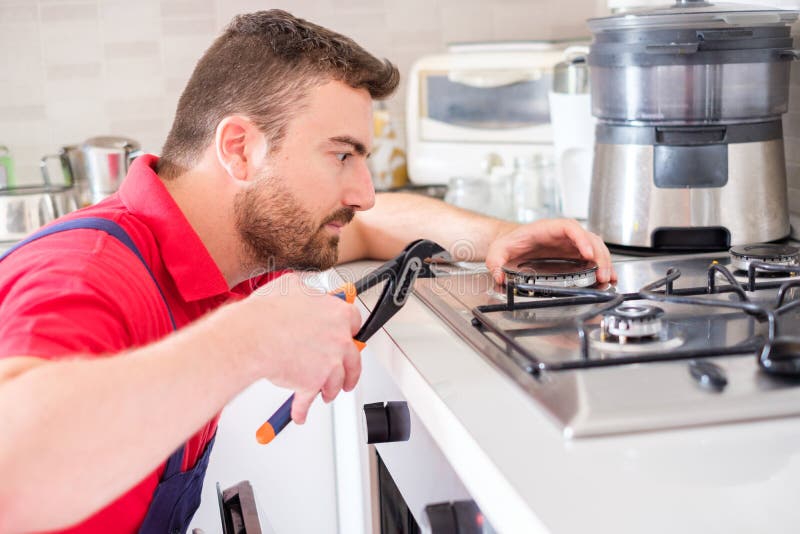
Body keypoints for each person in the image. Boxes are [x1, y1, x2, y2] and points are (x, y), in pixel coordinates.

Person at [0, 10, 615, 534]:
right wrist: (250, 338)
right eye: (342, 154)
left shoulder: (231, 249)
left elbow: (372, 227)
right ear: (240, 148)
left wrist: (498, 238)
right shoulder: (89, 273)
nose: (365, 192)